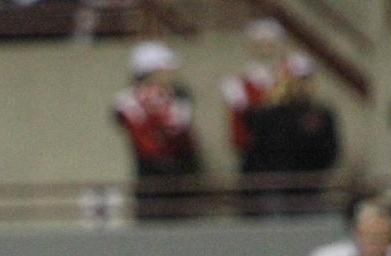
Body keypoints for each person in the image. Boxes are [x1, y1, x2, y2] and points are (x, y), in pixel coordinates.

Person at [113, 42, 201, 221]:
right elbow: (152, 142)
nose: (171, 74)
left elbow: (182, 135)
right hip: (153, 176)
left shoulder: (175, 97)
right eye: (165, 69)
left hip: (180, 175)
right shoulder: (129, 101)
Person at [239, 59, 339, 212]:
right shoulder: (269, 115)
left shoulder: (322, 114)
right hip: (274, 189)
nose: (302, 86)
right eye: (296, 80)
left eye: (306, 80)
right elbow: (255, 153)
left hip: (309, 189)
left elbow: (330, 151)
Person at [220, 19, 313, 174]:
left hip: (295, 161)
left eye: (270, 43)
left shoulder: (293, 79)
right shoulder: (235, 85)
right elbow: (238, 134)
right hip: (258, 162)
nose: (265, 49)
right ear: (249, 47)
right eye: (259, 44)